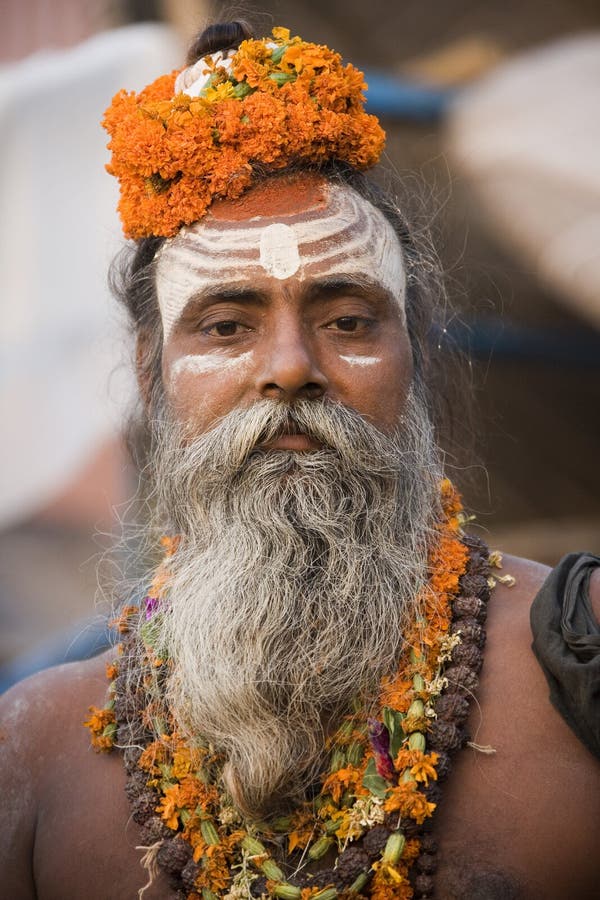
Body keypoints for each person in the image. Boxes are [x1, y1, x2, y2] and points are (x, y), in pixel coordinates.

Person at [1, 21, 599, 900]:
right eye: (226, 324)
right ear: (150, 374)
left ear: (414, 356)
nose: (289, 367)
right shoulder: (34, 754)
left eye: (348, 319)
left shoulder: (578, 655)